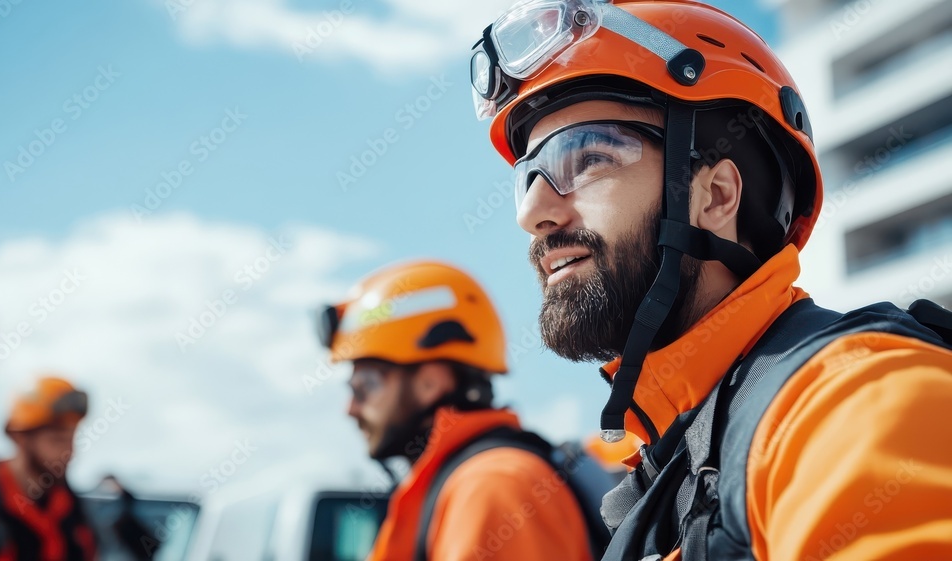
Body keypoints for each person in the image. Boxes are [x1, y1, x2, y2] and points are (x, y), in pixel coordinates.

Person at [468, 1, 952, 559]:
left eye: (588, 157)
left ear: (717, 195)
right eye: (528, 177)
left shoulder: (855, 405)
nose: (532, 213)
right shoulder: (671, 467)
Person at [317, 260, 594, 561]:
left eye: (365, 386)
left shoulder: (491, 487)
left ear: (430, 383)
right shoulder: (462, 484)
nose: (351, 408)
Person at [0, 376, 97, 560]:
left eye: (71, 439)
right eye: (57, 441)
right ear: (19, 437)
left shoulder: (69, 507)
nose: (69, 452)